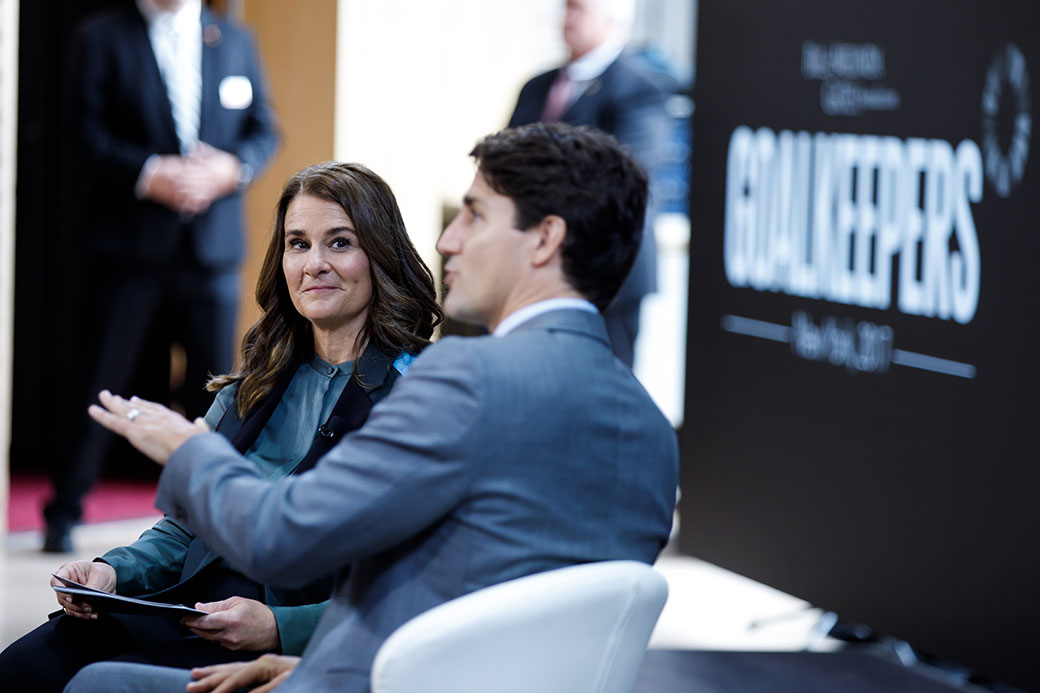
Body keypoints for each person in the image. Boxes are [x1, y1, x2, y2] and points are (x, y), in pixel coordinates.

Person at [69, 123, 679, 693]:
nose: (447, 239)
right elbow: (484, 595)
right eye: (297, 245)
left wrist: (187, 448)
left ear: (545, 238)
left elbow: (279, 538)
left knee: (88, 683)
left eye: (474, 214)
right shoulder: (652, 430)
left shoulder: (460, 377)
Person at [0, 162, 442, 692]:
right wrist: (112, 572)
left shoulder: (422, 394)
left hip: (287, 644)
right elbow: (185, 527)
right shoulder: (255, 381)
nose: (315, 264)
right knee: (23, 667)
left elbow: (417, 582)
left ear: (381, 254)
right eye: (298, 244)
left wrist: (281, 628)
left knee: (96, 685)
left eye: (340, 243)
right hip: (192, 608)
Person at [43, 0, 280, 553]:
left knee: (219, 388)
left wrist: (231, 169)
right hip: (128, 248)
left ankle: (210, 516)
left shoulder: (233, 37)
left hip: (212, 251)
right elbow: (81, 132)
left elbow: (265, 131)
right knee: (100, 378)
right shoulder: (101, 35)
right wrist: (150, 174)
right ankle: (64, 511)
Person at [508, 0, 677, 367]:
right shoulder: (536, 87)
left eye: (578, 8)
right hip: (532, 267)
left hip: (606, 274)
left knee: (602, 389)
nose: (566, 18)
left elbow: (630, 177)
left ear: (612, 19)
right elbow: (502, 166)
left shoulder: (640, 88)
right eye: (565, 7)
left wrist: (537, 177)